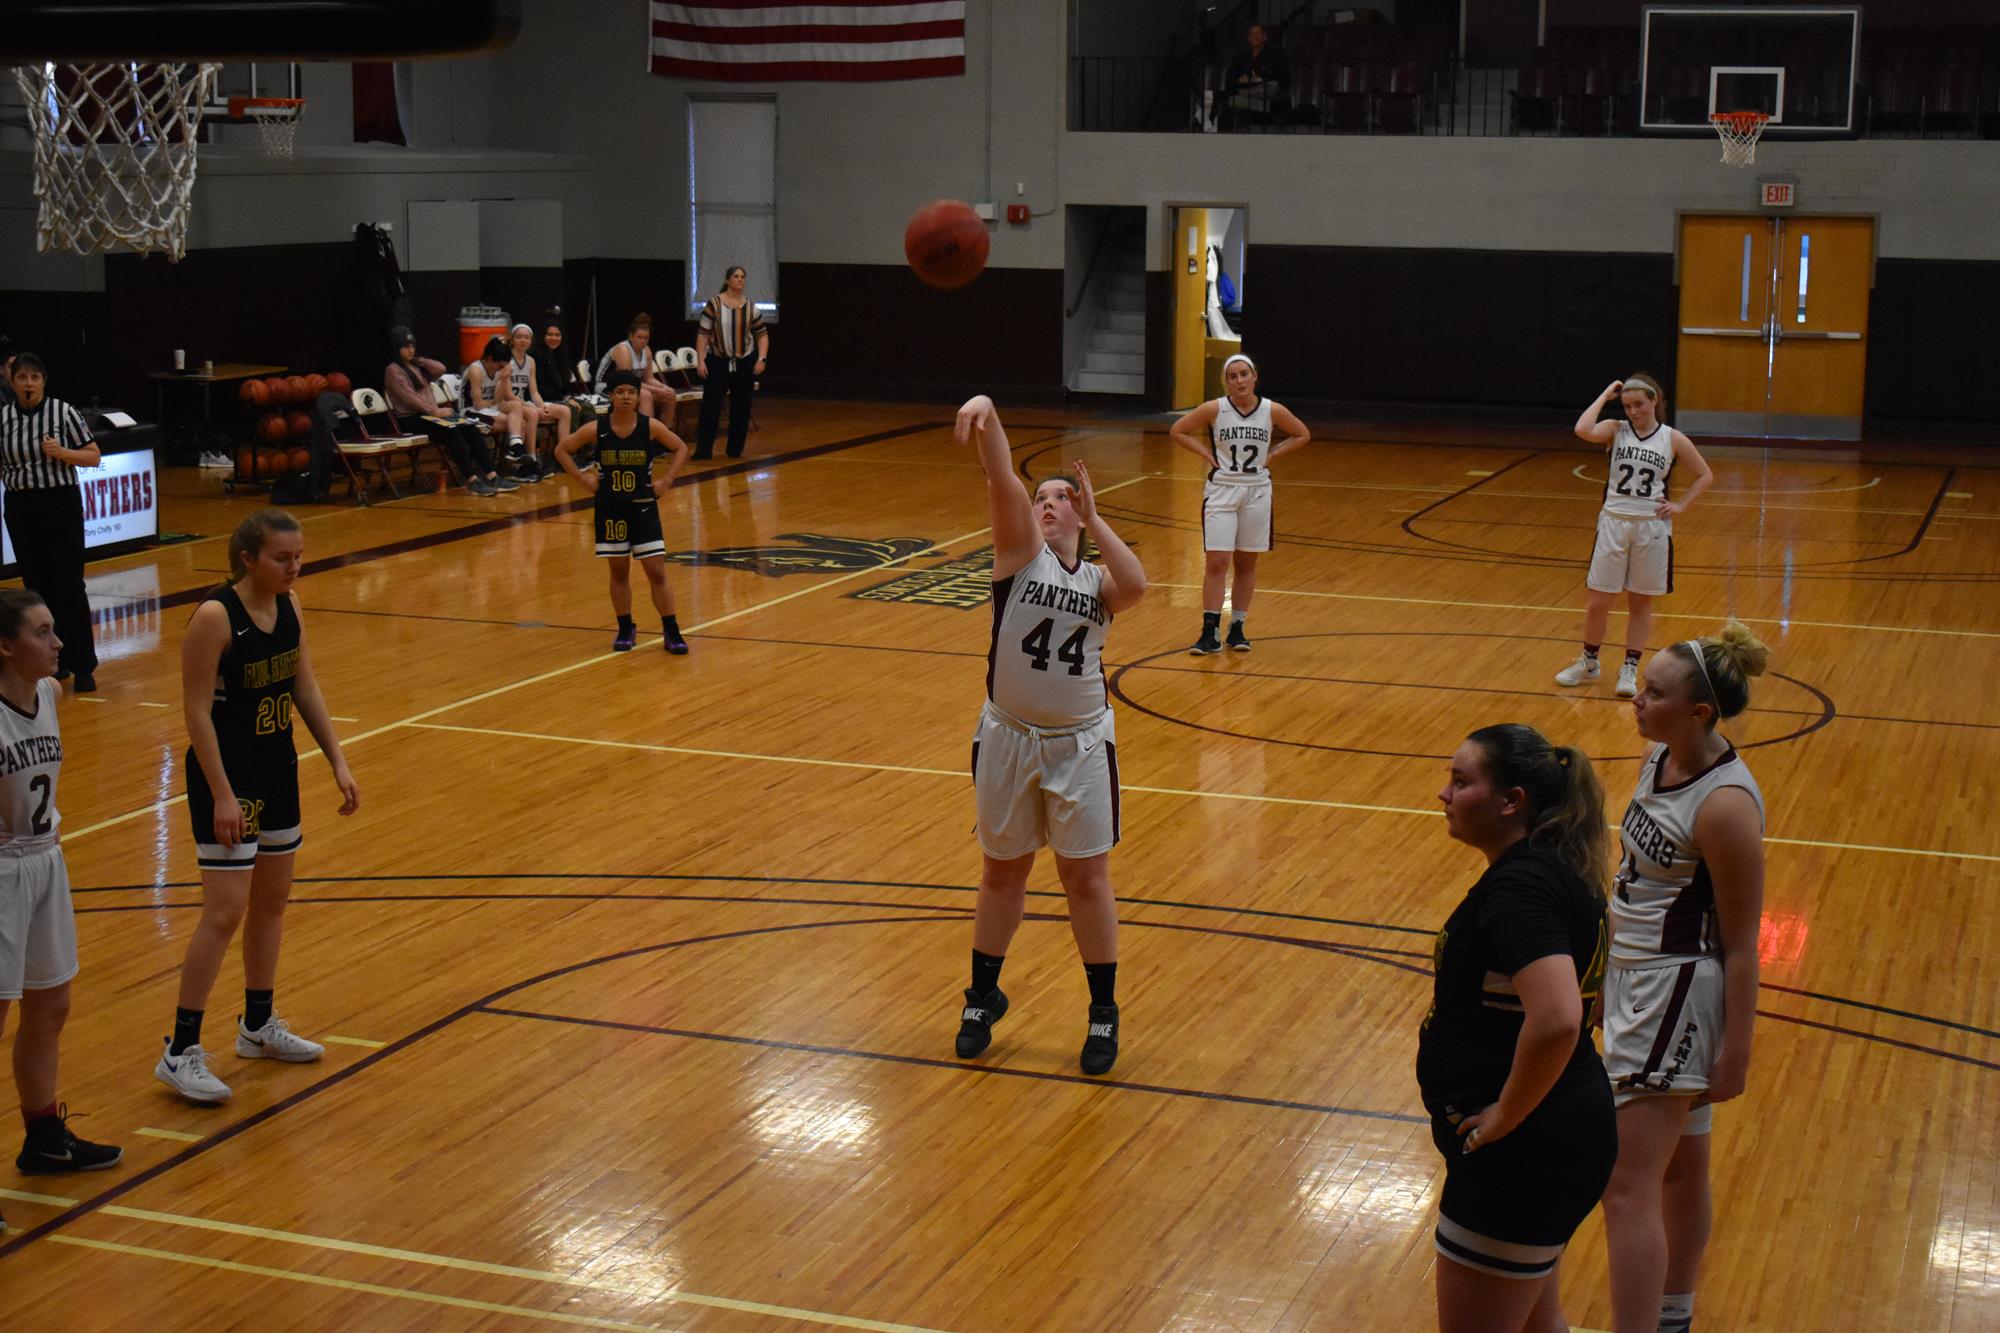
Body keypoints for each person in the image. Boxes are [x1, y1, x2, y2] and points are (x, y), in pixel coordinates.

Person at [952, 394, 1147, 1076]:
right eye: (1043, 497)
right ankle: (982, 996)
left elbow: (1138, 585)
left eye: (1062, 496)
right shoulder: (1018, 556)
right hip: (1008, 736)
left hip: (1081, 743)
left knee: (1083, 877)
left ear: (1080, 512)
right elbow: (1001, 476)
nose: (1048, 503)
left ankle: (1103, 1010)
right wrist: (989, 411)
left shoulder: (1098, 581)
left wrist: (1098, 518)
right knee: (1002, 869)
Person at [153, 509, 361, 1104]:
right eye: (281, 558)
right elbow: (196, 711)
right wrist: (221, 792)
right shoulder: (215, 616)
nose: (294, 567)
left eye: (298, 556)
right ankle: (180, 1049)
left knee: (272, 901)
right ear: (248, 558)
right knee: (225, 911)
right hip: (229, 773)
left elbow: (304, 685)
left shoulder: (291, 606)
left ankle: (258, 1024)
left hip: (277, 766)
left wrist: (337, 760)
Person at [1417, 723, 1616, 1333]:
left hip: (1522, 1156)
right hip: (1556, 1138)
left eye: (1461, 781)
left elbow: (1559, 1019)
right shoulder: (1557, 871)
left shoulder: (1521, 888)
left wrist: (1504, 1115)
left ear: (1512, 801)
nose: (1445, 794)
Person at [1599, 624, 1768, 1333]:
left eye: (1655, 692)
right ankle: (1673, 1316)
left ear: (1699, 712)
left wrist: (1737, 1050)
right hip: (1633, 979)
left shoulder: (1725, 805)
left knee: (1625, 1187)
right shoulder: (1656, 757)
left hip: (1674, 995)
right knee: (1680, 1169)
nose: (1638, 700)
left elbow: (1743, 941)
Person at [0, 590, 122, 1230]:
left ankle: (44, 1136)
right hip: (1, 869)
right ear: (5, 646)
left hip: (45, 858)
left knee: (51, 1004)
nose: (59, 642)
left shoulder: (47, 694)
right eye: (43, 633)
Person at [1555, 374, 1713, 699]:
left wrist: (1681, 505)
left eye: (1639, 404)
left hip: (1651, 528)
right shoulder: (1616, 430)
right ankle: (1589, 661)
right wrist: (1605, 395)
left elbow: (1704, 475)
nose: (1633, 411)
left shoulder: (1672, 438)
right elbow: (1583, 429)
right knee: (1598, 602)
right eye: (1627, 406)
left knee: (1640, 603)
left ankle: (1629, 666)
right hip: (1614, 522)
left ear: (1655, 401)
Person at [1167, 353, 1309, 654]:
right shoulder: (1215, 408)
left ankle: (1238, 627)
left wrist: (1273, 454)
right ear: (1226, 382)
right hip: (1222, 490)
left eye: (1244, 374)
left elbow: (1301, 434)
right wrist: (1205, 454)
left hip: (1256, 491)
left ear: (1255, 376)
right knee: (1217, 561)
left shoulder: (1271, 409)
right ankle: (1209, 631)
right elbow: (1177, 430)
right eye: (1233, 377)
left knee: (1246, 563)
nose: (1239, 380)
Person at [553, 370, 691, 655]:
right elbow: (562, 450)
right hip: (611, 508)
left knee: (656, 571)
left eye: (631, 391)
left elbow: (680, 448)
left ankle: (672, 630)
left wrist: (666, 481)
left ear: (638, 396)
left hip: (643, 506)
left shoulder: (650, 426)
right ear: (611, 396)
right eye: (620, 392)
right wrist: (584, 480)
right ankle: (626, 627)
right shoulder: (597, 428)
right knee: (618, 571)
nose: (626, 396)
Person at [0, 354, 101, 691]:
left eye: (34, 377)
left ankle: (83, 664)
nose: (28, 383)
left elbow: (93, 455)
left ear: (44, 381)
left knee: (69, 584)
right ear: (12, 381)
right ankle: (52, 665)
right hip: (20, 506)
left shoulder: (63, 412)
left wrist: (63, 453)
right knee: (36, 586)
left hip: (60, 503)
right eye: (22, 377)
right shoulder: (3, 418)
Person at [382, 327, 517, 497]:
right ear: (396, 348)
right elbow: (409, 398)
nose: (410, 350)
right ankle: (472, 480)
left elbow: (440, 369)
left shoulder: (416, 366)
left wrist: (419, 360)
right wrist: (433, 410)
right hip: (410, 419)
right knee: (451, 431)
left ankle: (492, 476)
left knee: (470, 428)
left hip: (429, 415)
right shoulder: (393, 370)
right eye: (406, 347)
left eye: (412, 346)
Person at [693, 266, 769, 461]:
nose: (740, 279)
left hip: (744, 362)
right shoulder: (714, 304)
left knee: (742, 406)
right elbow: (703, 334)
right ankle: (703, 450)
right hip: (718, 361)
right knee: (711, 406)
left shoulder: (751, 308)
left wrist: (761, 359)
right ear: (728, 280)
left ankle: (735, 449)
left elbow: (762, 336)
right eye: (736, 276)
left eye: (743, 276)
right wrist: (701, 361)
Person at [461, 335, 539, 477]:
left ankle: (514, 449)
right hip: (470, 411)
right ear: (490, 359)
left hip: (488, 408)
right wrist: (493, 402)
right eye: (500, 366)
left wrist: (504, 380)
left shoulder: (500, 370)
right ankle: (514, 465)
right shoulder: (476, 370)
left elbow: (497, 400)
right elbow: (478, 404)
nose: (502, 368)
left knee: (516, 405)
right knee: (520, 424)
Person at [507, 321, 573, 476]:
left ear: (531, 341)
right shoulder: (506, 360)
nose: (523, 340)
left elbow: (534, 391)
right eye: (519, 337)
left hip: (525, 402)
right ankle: (532, 459)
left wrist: (542, 406)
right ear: (512, 339)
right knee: (533, 413)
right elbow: (507, 394)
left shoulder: (530, 361)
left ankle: (563, 457)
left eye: (526, 337)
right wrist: (533, 407)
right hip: (510, 404)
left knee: (564, 411)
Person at [593, 313, 675, 421]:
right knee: (645, 396)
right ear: (631, 336)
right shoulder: (623, 350)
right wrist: (656, 390)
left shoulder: (647, 350)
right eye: (639, 337)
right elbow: (627, 381)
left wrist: (664, 388)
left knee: (670, 394)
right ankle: (646, 430)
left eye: (646, 338)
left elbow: (649, 379)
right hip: (607, 387)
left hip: (631, 386)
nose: (643, 341)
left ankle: (665, 430)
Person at [1222, 23, 1290, 129]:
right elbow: (1229, 79)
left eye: (1258, 33)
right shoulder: (1240, 56)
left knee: (1273, 86)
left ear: (1265, 37)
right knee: (1233, 100)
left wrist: (1260, 79)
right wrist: (1240, 81)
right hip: (1246, 89)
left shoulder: (1276, 55)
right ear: (1248, 38)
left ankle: (1252, 99)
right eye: (1252, 34)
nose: (1255, 36)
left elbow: (1284, 78)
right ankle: (1268, 107)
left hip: (1266, 89)